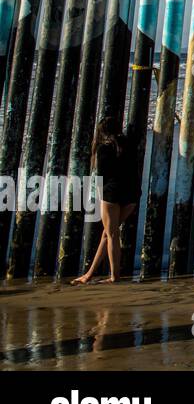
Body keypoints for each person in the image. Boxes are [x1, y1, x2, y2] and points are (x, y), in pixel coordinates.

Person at [71, 118, 140, 284]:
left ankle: (114, 276)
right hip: (132, 192)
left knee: (112, 234)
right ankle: (88, 275)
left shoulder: (103, 148)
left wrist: (101, 198)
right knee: (107, 234)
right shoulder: (128, 144)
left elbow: (101, 177)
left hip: (112, 193)